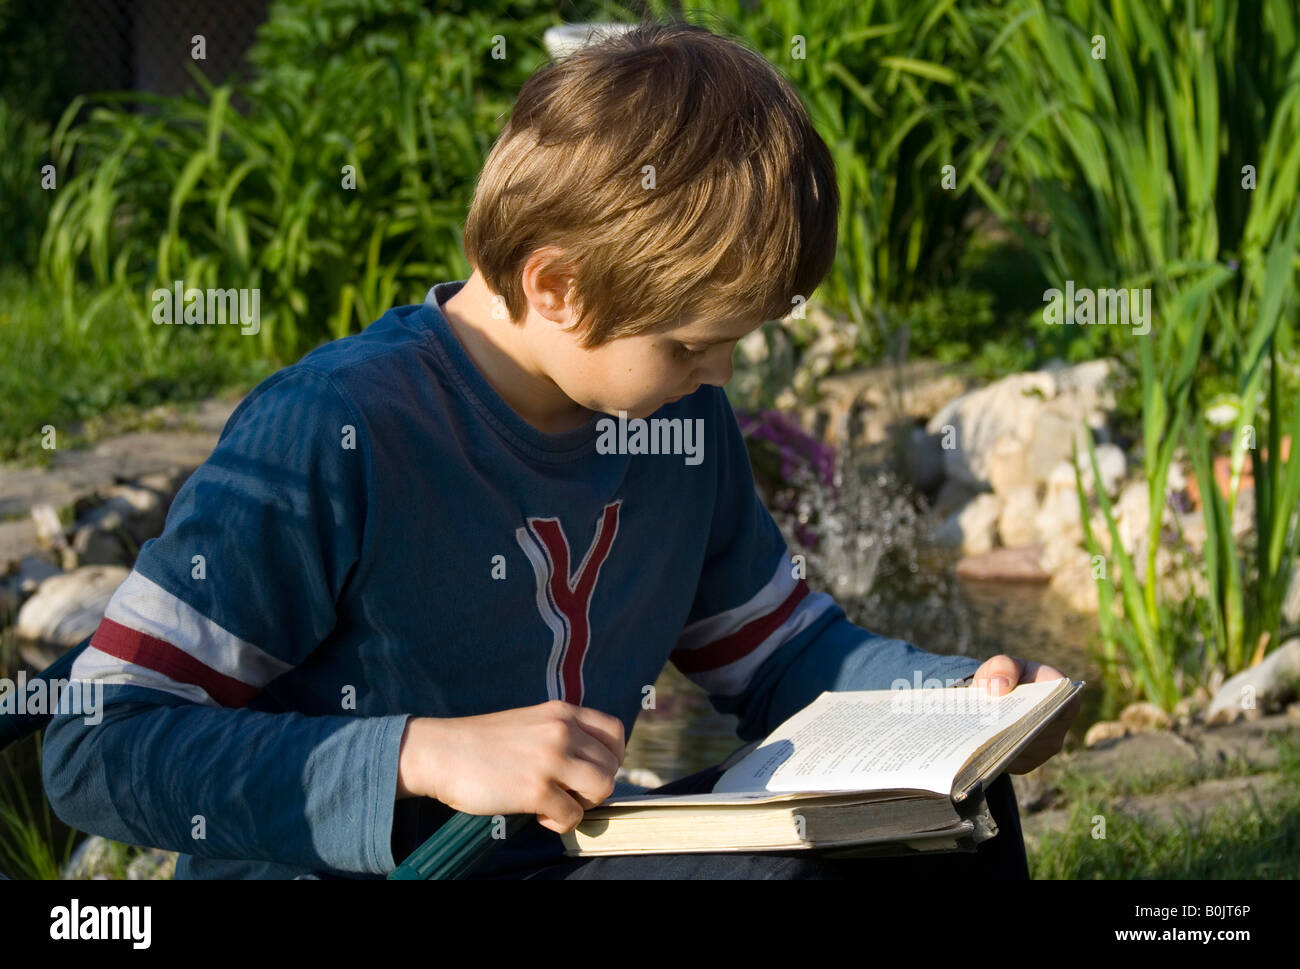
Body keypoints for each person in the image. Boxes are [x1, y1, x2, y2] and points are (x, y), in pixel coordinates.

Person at [41, 20, 1079, 880]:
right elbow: (93, 746)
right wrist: (421, 756)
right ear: (556, 287)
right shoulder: (336, 429)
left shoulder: (679, 426)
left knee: (934, 834)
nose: (719, 377)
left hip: (568, 861)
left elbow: (780, 653)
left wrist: (949, 697)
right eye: (689, 345)